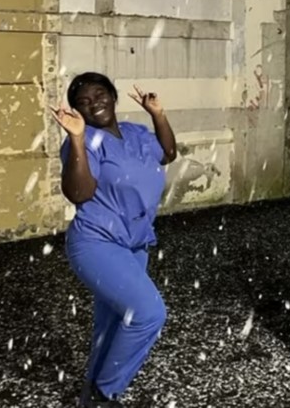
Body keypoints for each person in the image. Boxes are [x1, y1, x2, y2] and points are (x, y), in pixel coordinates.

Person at [50, 72, 177, 408]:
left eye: (100, 94)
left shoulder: (136, 132)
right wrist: (76, 139)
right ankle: (104, 393)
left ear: (112, 95)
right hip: (97, 243)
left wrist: (158, 114)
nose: (94, 103)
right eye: (84, 101)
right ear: (78, 110)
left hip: (134, 243)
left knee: (110, 326)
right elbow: (79, 192)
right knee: (148, 313)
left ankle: (89, 401)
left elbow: (168, 152)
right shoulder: (86, 139)